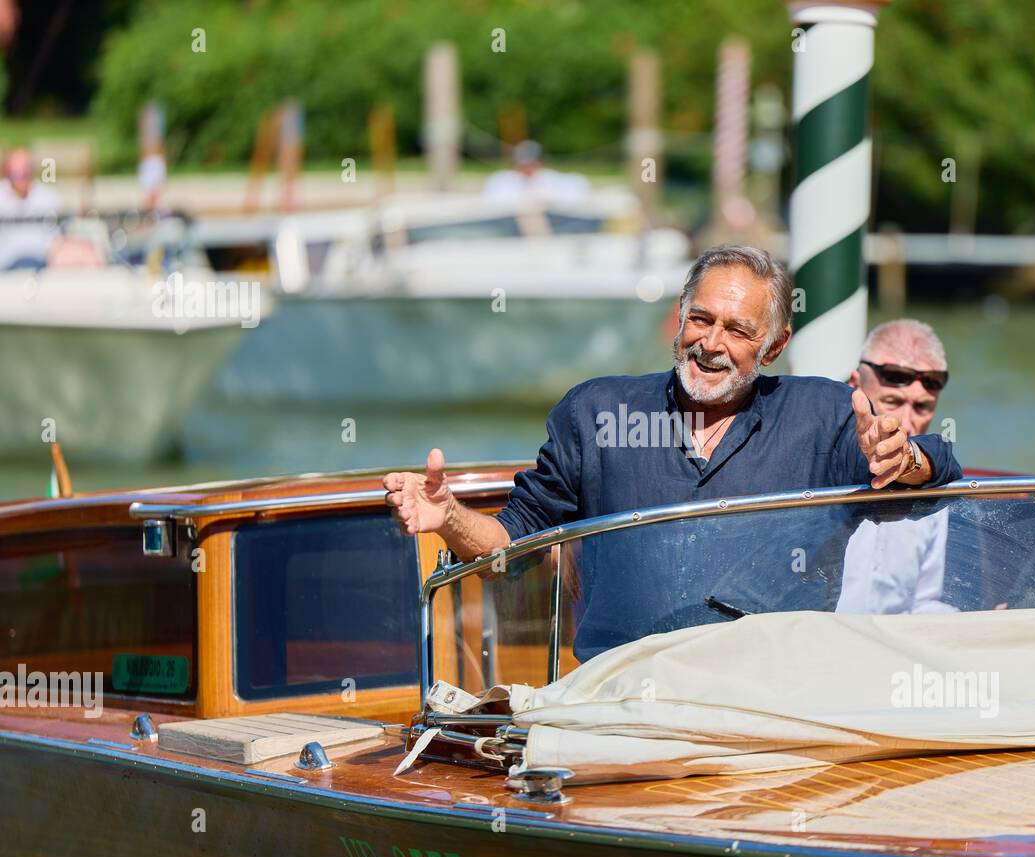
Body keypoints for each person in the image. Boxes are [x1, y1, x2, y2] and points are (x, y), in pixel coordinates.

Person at [385, 245, 963, 658]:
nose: (711, 344)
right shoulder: (597, 413)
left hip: (771, 705)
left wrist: (903, 459)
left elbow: (940, 463)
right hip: (621, 702)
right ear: (679, 317)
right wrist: (451, 517)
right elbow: (514, 548)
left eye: (738, 331)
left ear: (775, 345)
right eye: (701, 320)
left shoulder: (823, 412)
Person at [836, 319, 956, 615]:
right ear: (855, 387)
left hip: (894, 652)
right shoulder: (815, 462)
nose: (906, 422)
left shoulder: (935, 487)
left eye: (922, 407)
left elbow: (924, 602)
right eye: (892, 401)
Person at [0, 147, 61, 270]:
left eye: (24, 173)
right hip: (6, 266)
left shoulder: (48, 197)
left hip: (41, 264)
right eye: (15, 174)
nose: (20, 178)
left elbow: (55, 237)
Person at [480, 140, 590, 204]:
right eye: (522, 165)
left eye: (530, 164)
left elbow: (577, 189)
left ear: (538, 163)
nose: (526, 169)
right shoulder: (502, 180)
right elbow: (491, 200)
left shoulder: (551, 179)